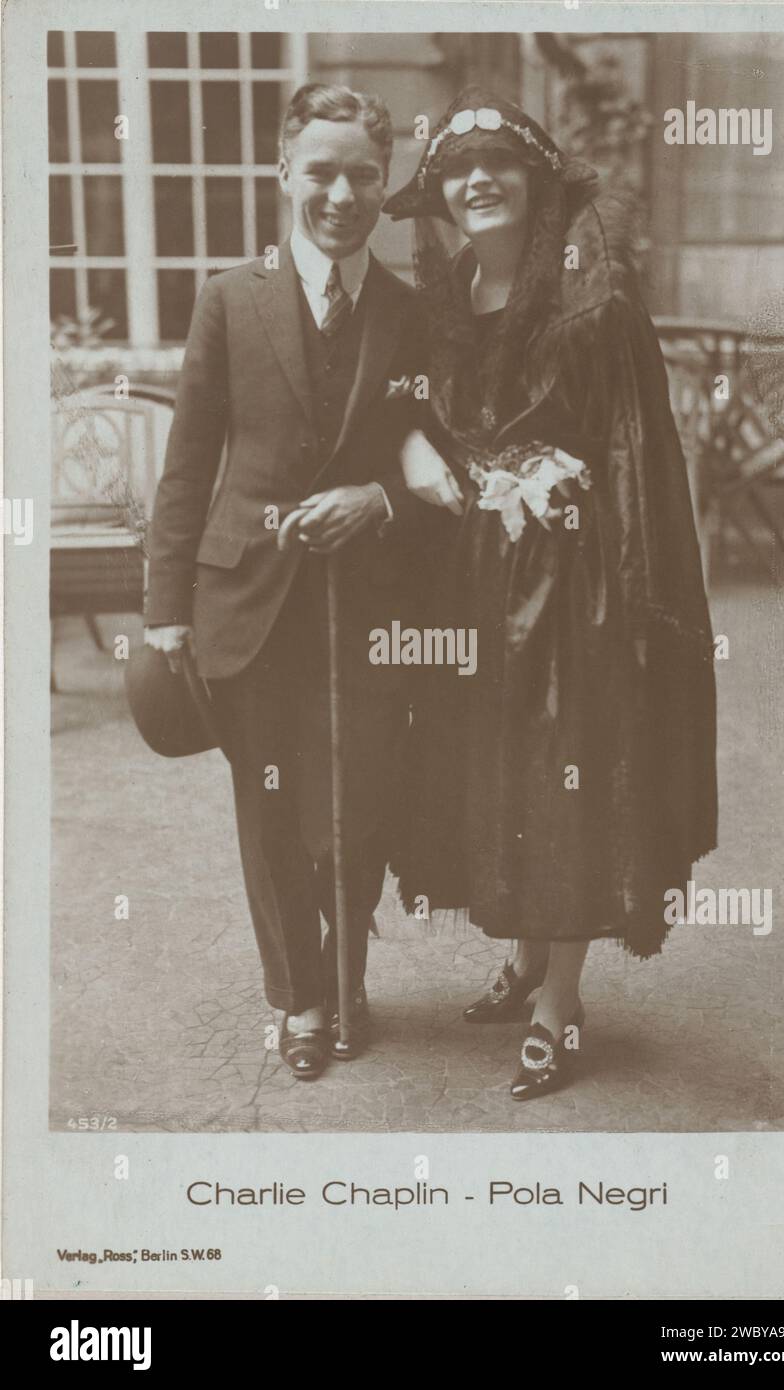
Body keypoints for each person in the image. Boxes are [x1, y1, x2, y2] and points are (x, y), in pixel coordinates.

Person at [385, 88, 718, 1102]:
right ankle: (526, 956)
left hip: (573, 581)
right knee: (497, 768)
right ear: (439, 194)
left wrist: (556, 485)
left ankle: (557, 1004)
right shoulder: (438, 297)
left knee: (562, 767)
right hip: (466, 579)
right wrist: (410, 443)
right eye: (457, 169)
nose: (478, 181)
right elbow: (407, 410)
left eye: (500, 164)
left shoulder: (592, 303)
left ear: (537, 184)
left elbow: (634, 459)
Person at [144, 83, 425, 1082]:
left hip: (366, 608)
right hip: (245, 602)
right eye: (321, 171)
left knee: (352, 806)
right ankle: (304, 999)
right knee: (268, 810)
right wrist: (164, 612)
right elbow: (187, 465)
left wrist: (380, 498)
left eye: (362, 174)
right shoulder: (232, 295)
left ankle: (346, 979)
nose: (341, 193)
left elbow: (439, 456)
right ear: (283, 174)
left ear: (384, 183)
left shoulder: (412, 311)